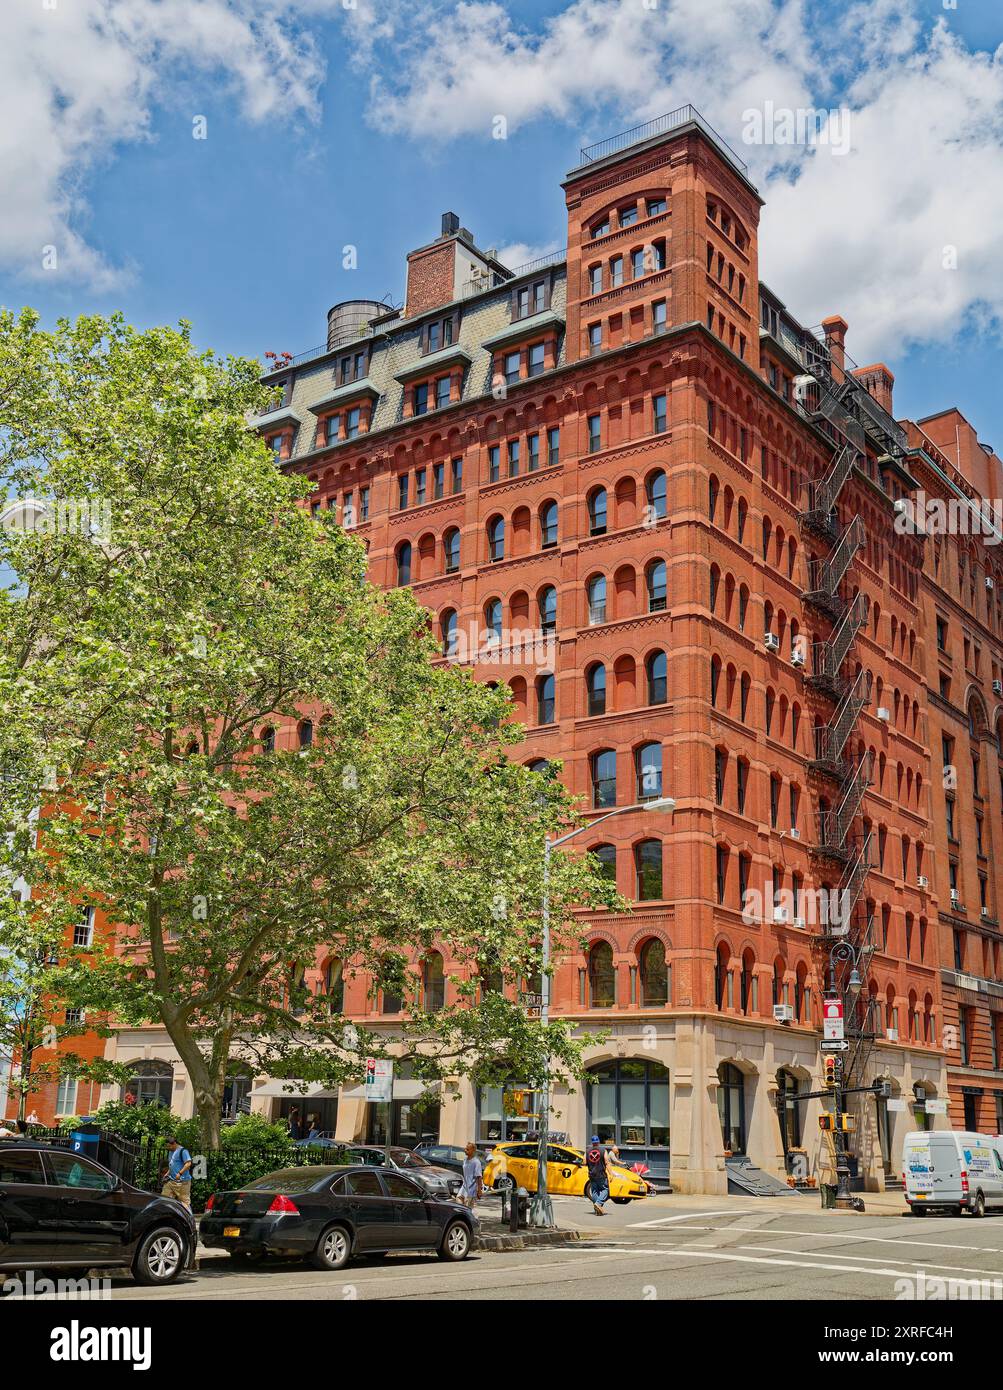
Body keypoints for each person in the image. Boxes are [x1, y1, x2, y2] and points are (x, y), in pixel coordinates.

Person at [161, 1136, 194, 1210]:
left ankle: (189, 1219)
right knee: (164, 1199)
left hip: (182, 1182)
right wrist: (168, 1173)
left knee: (184, 1203)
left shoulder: (183, 1151)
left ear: (174, 1143)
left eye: (169, 1146)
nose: (168, 1148)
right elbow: (172, 1164)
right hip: (171, 1180)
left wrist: (180, 1173)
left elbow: (188, 1164)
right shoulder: (171, 1151)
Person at [585, 1134, 612, 1215]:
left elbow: (584, 1162)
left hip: (592, 1174)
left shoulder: (587, 1151)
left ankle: (597, 1208)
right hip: (601, 1174)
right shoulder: (603, 1150)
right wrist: (611, 1173)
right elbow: (607, 1162)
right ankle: (598, 1204)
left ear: (592, 1142)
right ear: (598, 1142)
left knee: (594, 1191)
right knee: (605, 1190)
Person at [459, 1142, 483, 1209]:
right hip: (464, 1187)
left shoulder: (476, 1162)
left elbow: (479, 1177)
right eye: (465, 1149)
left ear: (473, 1151)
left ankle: (472, 1218)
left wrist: (479, 1190)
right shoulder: (465, 1160)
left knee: (467, 1208)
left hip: (471, 1188)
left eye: (467, 1149)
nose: (465, 1150)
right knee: (459, 1201)